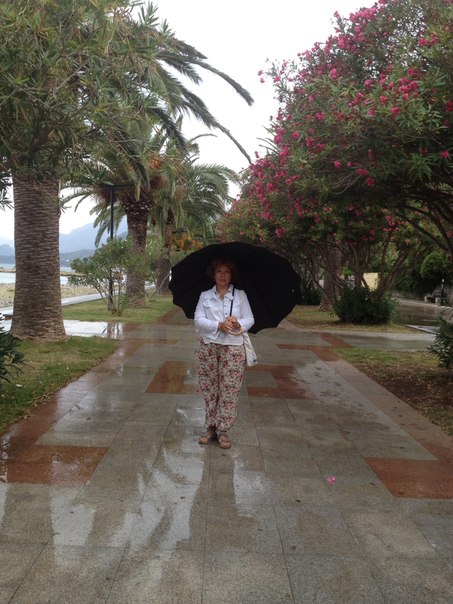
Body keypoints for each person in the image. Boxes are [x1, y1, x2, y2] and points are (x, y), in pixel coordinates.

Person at [194, 258, 254, 449]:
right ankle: (210, 427)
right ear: (213, 274)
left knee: (229, 389)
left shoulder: (240, 295)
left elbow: (250, 318)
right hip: (208, 347)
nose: (223, 275)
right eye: (219, 271)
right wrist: (218, 325)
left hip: (233, 348)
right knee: (209, 388)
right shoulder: (205, 296)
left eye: (227, 272)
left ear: (232, 275)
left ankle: (224, 430)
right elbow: (198, 320)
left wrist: (238, 323)